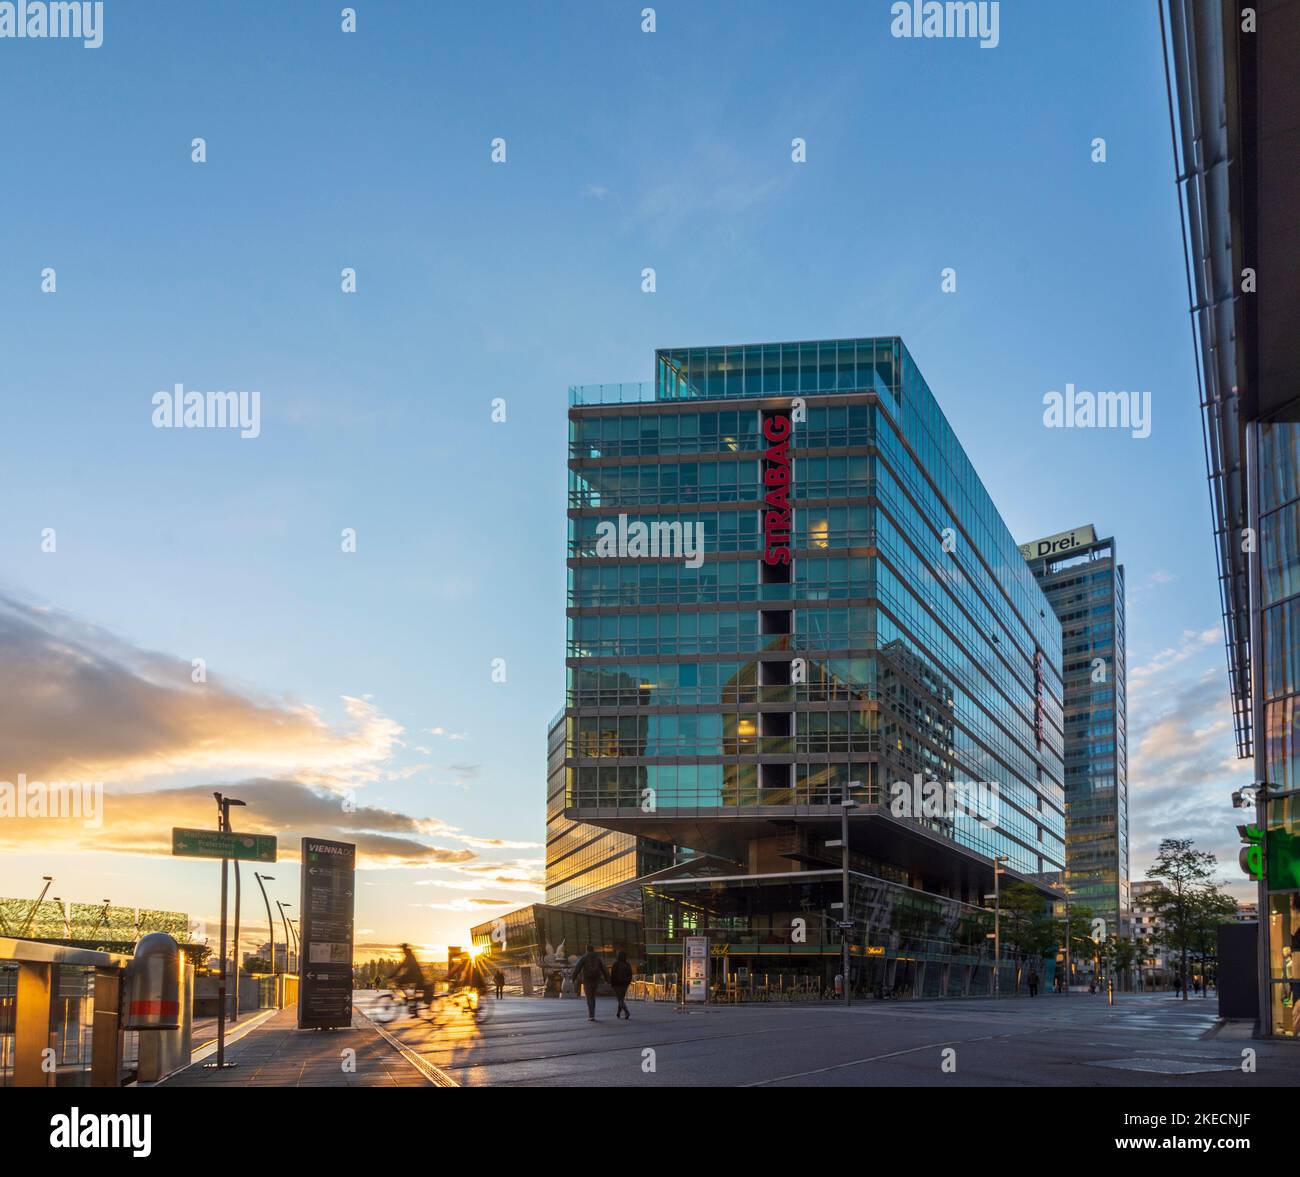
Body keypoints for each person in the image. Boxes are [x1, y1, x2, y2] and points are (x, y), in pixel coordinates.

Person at [572, 944, 610, 1022]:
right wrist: (607, 979)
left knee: (589, 997)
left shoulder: (584, 958)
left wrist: (572, 979)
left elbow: (577, 969)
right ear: (593, 950)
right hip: (595, 980)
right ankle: (592, 1014)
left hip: (587, 980)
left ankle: (591, 1015)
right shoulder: (598, 958)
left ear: (587, 950)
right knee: (593, 996)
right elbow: (604, 969)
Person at [391, 944, 431, 1012]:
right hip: (414, 977)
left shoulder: (410, 957)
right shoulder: (409, 956)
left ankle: (409, 1002)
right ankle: (412, 1005)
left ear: (405, 949)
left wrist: (394, 975)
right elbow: (402, 967)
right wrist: (394, 974)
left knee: (399, 982)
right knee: (402, 983)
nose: (403, 951)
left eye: (403, 950)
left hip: (416, 977)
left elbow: (404, 967)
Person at [610, 950, 633, 1020]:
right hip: (625, 984)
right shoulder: (628, 964)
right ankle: (618, 1012)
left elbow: (612, 975)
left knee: (620, 999)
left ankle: (626, 1012)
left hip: (617, 984)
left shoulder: (615, 964)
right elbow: (630, 975)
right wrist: (628, 982)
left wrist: (612, 984)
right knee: (621, 999)